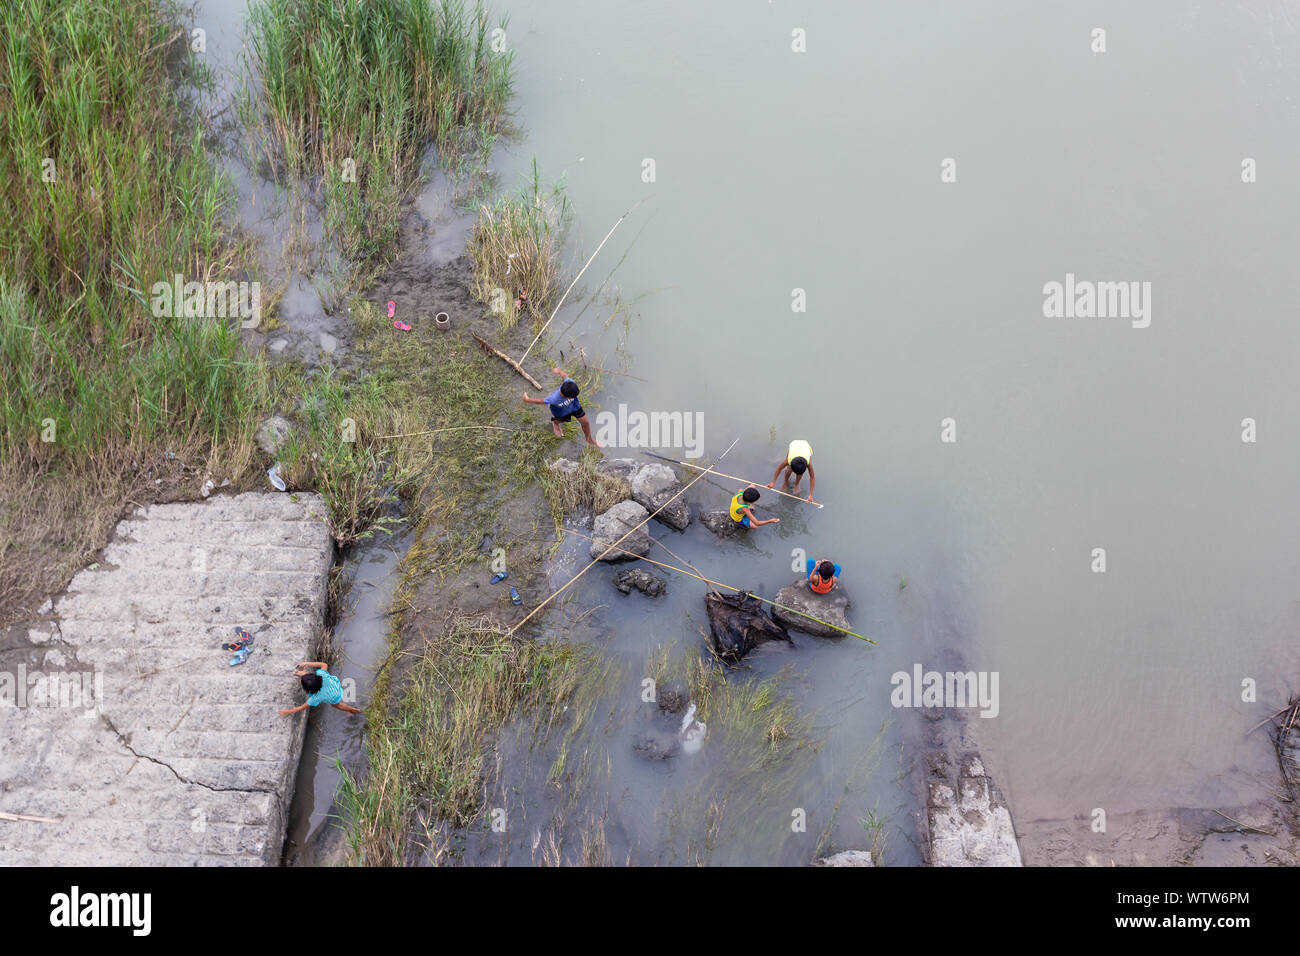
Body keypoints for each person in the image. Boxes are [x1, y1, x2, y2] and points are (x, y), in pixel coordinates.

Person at [523, 367, 600, 445]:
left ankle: (589, 439)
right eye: (573, 397)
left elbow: (565, 376)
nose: (574, 397)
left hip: (575, 407)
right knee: (560, 420)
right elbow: (541, 401)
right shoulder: (554, 399)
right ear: (566, 396)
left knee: (585, 422)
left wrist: (559, 371)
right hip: (561, 412)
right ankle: (555, 423)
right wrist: (527, 399)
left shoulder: (570, 383)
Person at [279, 662, 362, 717]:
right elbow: (324, 665)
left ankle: (353, 710)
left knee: (336, 705)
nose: (300, 680)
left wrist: (288, 712)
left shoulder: (316, 698)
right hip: (335, 685)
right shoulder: (321, 675)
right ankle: (352, 710)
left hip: (334, 695)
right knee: (310, 679)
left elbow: (301, 707)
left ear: (308, 690)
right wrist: (306, 663)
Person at [767, 438, 816, 503]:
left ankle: (797, 483)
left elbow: (812, 477)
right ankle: (785, 480)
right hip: (794, 445)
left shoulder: (808, 462)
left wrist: (810, 495)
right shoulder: (788, 460)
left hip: (806, 447)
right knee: (789, 469)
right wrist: (773, 482)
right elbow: (779, 469)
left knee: (800, 472)